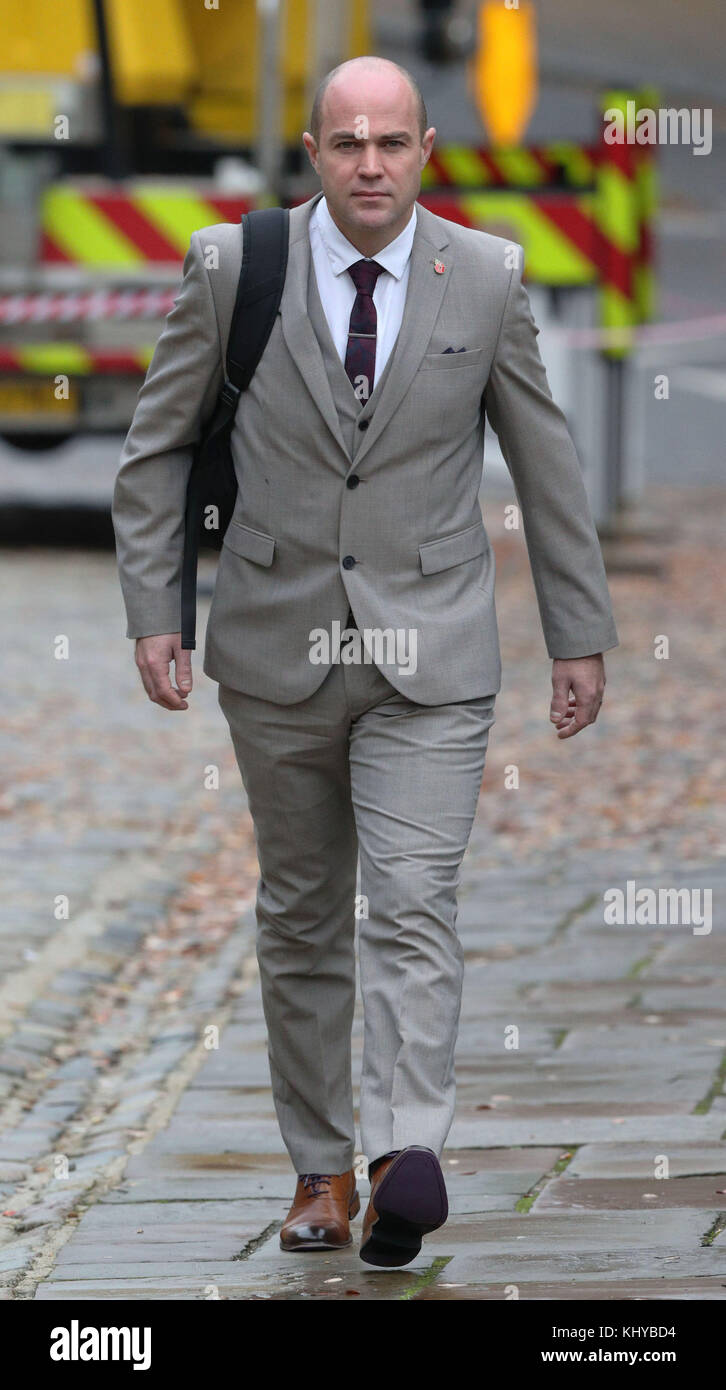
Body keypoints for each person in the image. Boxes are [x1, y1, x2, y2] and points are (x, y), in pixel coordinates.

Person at [112, 55, 618, 1267]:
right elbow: (157, 449)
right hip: (274, 646)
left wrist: (578, 630)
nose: (372, 165)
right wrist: (155, 608)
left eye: (392, 142)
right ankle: (321, 1168)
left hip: (431, 651)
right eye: (348, 143)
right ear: (314, 149)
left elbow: (544, 461)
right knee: (299, 914)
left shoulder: (484, 277)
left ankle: (402, 1153)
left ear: (427, 148)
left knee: (412, 900)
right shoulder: (237, 269)